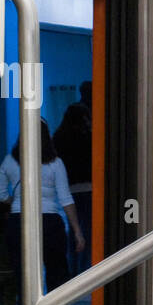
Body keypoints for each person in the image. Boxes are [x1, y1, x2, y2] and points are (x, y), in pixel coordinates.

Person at [0, 120, 85, 305]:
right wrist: (77, 230)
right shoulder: (55, 163)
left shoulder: (11, 161)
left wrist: (12, 200)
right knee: (58, 275)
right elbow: (65, 198)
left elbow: (0, 193)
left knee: (23, 279)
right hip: (49, 224)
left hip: (18, 223)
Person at [53, 80, 92, 274]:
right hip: (89, 187)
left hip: (69, 189)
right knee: (89, 231)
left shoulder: (60, 135)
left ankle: (74, 270)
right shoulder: (89, 135)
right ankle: (86, 270)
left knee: (74, 230)